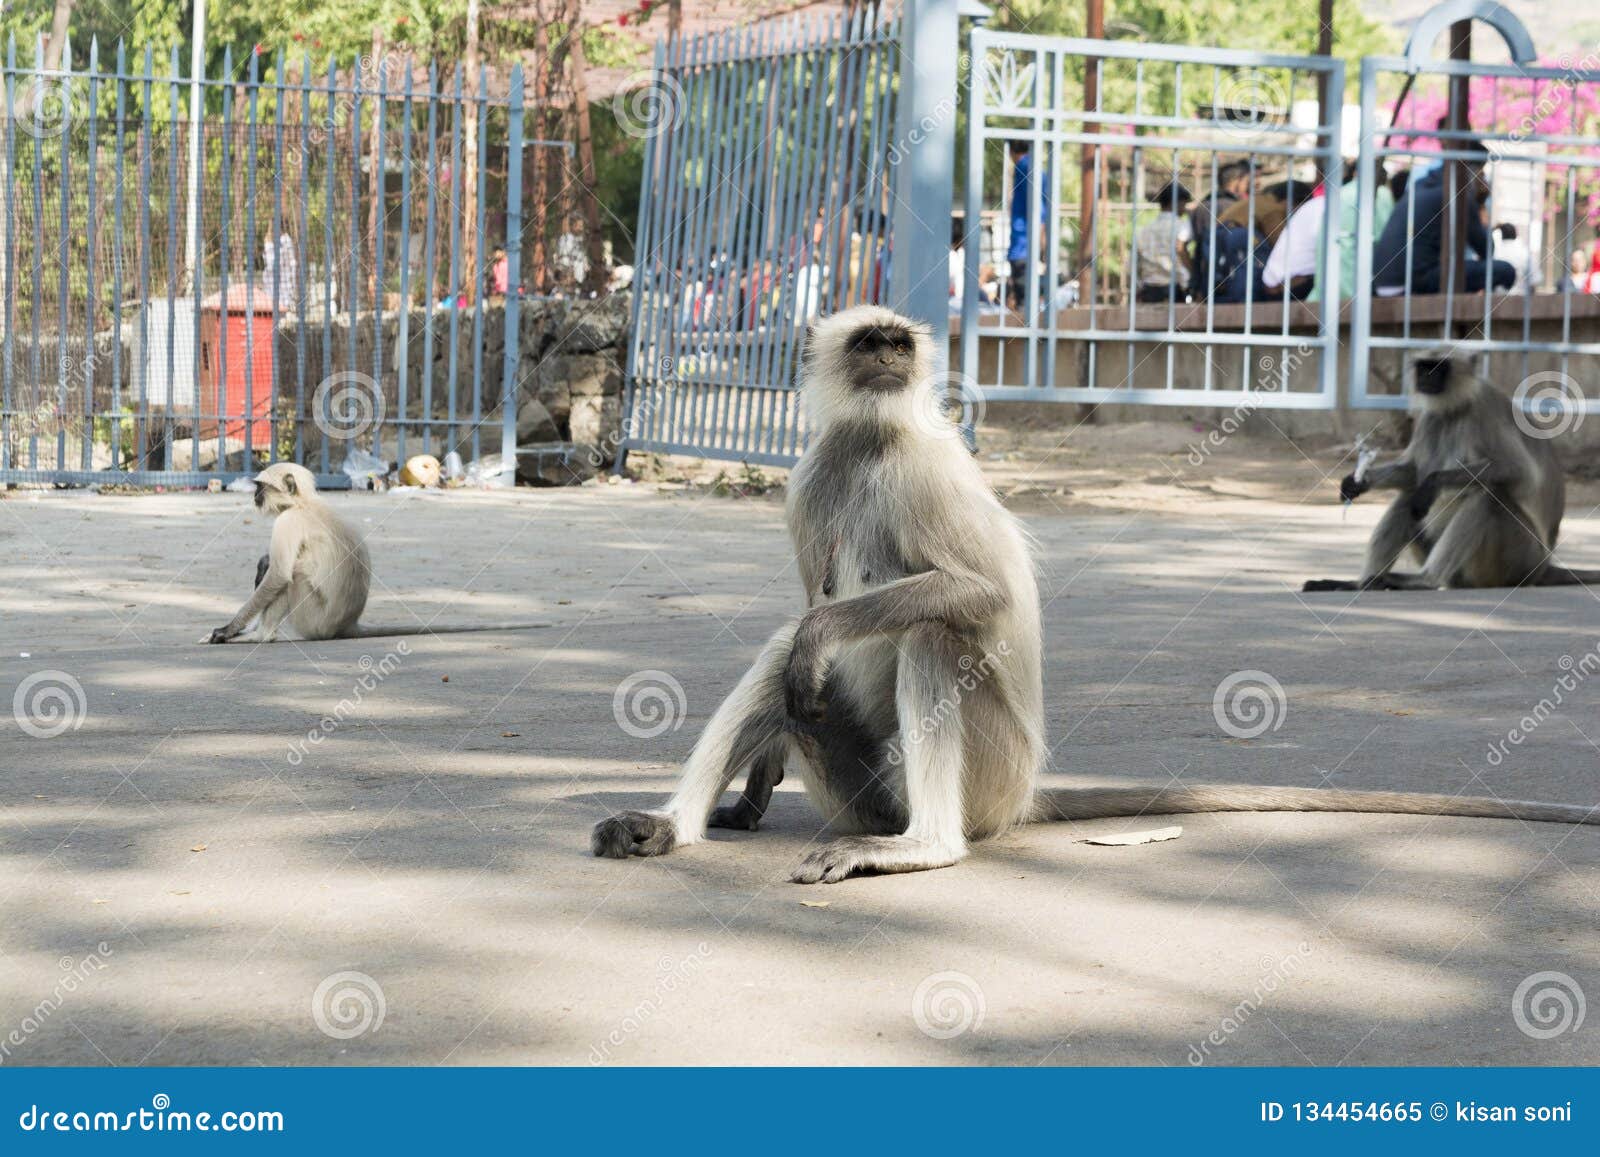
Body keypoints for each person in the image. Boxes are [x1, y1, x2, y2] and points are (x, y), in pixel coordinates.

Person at [1373, 139, 1514, 295]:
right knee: (1505, 271)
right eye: (1481, 172)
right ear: (1473, 170)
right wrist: (1480, 206)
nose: (1482, 178)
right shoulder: (1458, 194)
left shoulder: (1421, 185)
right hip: (1413, 282)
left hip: (1382, 283)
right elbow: (1486, 248)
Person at [1310, 160, 1393, 303]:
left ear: (1355, 173)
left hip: (1325, 288)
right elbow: (1386, 240)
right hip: (1354, 289)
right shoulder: (1381, 195)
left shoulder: (1340, 193)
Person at [1133, 180, 1193, 303]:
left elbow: (1133, 265)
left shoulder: (1144, 230)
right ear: (1176, 203)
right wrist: (1192, 275)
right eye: (1184, 204)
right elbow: (1181, 250)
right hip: (1175, 288)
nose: (1185, 209)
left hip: (1149, 290)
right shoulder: (1182, 226)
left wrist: (1139, 286)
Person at [1006, 140, 1047, 309]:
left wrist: (1041, 236)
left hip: (1023, 242)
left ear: (1011, 151)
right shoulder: (1034, 168)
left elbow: (1038, 208)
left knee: (1024, 299)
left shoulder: (1024, 168)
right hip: (1026, 241)